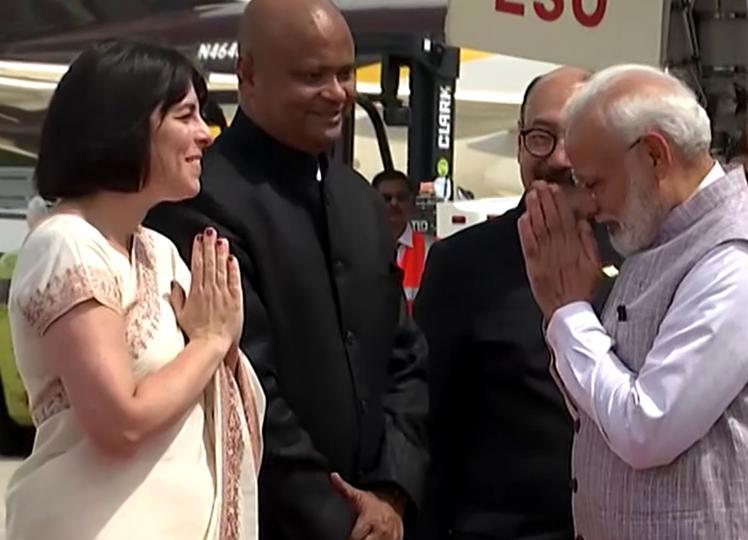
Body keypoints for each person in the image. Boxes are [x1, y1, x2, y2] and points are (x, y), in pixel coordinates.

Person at [145, 0, 430, 538]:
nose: (337, 93)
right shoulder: (202, 201)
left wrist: (393, 491)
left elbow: (403, 358)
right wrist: (342, 516)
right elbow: (244, 385)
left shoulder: (360, 202)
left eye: (346, 73)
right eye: (311, 76)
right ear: (247, 74)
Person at [518, 64, 748, 539]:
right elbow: (596, 410)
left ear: (652, 155)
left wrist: (568, 313)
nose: (588, 203)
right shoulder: (658, 234)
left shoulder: (739, 256)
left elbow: (647, 429)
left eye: (596, 183)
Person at [4, 39, 265, 539]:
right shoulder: (67, 245)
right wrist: (209, 342)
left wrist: (219, 347)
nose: (206, 134)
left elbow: (215, 389)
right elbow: (120, 424)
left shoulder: (159, 252)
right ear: (126, 126)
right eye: (186, 115)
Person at [413, 66, 621, 540]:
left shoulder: (646, 256)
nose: (560, 157)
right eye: (541, 137)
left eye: (578, 137)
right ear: (520, 146)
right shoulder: (462, 263)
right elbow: (432, 428)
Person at [373, 169, 432, 312]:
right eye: (386, 198)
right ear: (372, 203)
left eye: (401, 197)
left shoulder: (432, 250)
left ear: (412, 204)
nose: (394, 203)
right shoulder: (356, 248)